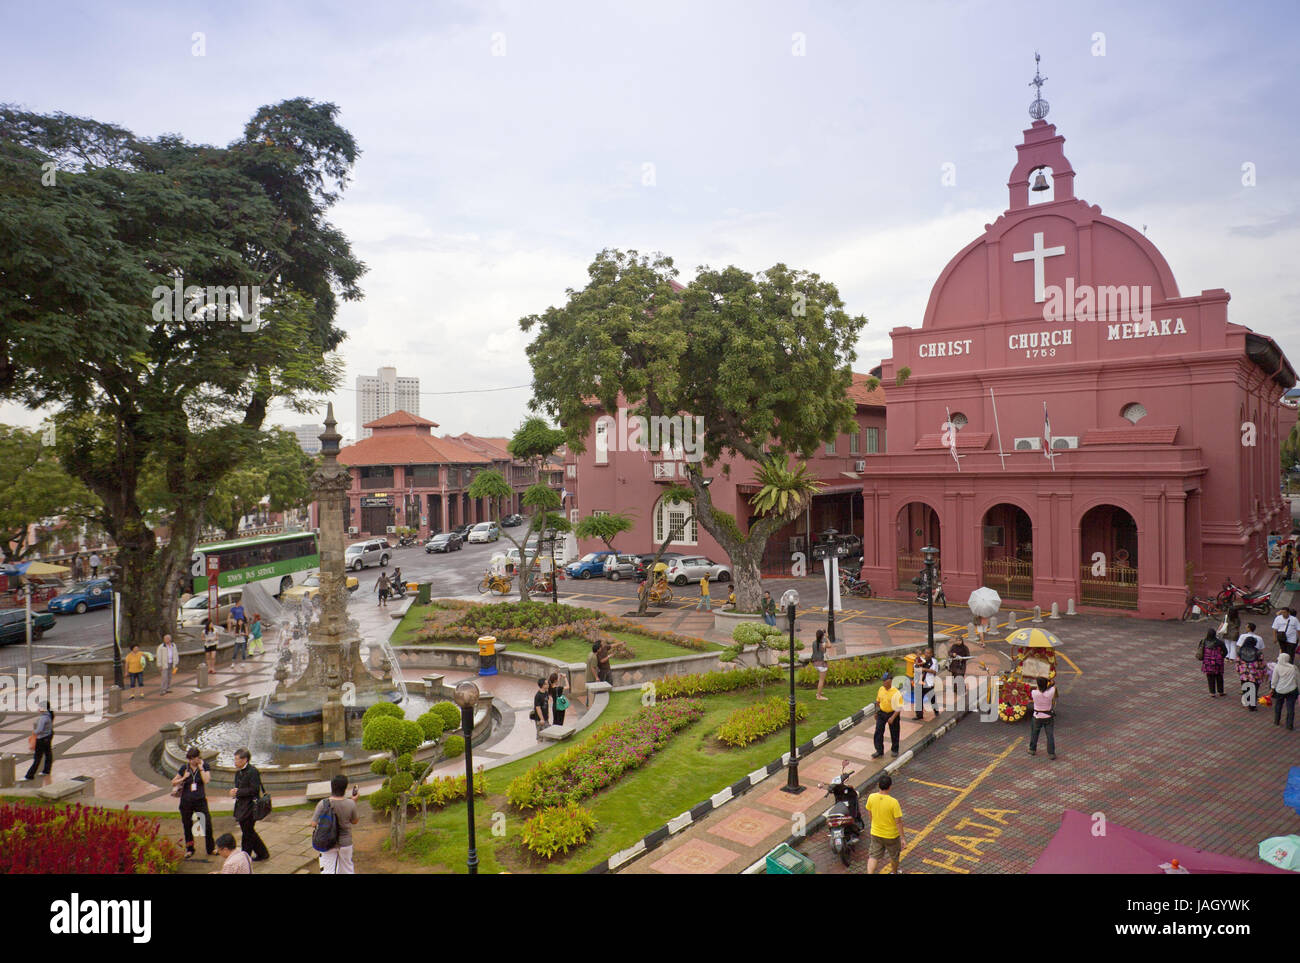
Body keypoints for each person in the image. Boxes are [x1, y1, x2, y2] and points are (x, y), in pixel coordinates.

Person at [172, 747, 216, 859]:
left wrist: (201, 768)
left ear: (198, 758)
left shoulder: (204, 766)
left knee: (207, 824)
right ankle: (189, 848)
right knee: (187, 826)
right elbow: (173, 782)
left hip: (200, 800)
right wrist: (183, 778)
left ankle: (210, 848)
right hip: (186, 801)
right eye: (190, 759)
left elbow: (206, 780)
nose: (192, 761)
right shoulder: (184, 768)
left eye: (194, 759)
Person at [312, 775, 360, 874]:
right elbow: (355, 821)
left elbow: (313, 823)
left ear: (332, 787)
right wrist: (354, 801)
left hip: (327, 842)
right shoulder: (350, 804)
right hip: (345, 843)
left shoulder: (323, 803)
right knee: (347, 869)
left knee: (328, 870)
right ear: (345, 788)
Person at [230, 748, 270, 862]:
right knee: (249, 831)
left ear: (245, 760)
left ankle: (245, 857)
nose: (235, 762)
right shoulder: (238, 772)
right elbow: (239, 787)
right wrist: (234, 792)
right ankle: (263, 853)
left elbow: (254, 790)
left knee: (247, 833)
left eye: (237, 760)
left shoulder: (253, 771)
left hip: (251, 807)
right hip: (241, 806)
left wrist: (238, 792)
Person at [864, 773, 904, 875]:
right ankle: (894, 872)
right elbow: (898, 822)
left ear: (879, 785)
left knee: (873, 856)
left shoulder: (871, 797)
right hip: (891, 836)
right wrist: (902, 838)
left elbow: (870, 814)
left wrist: (874, 825)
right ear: (890, 787)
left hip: (876, 833)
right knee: (894, 856)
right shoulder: (893, 802)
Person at [871, 674, 903, 759]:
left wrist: (892, 717)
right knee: (878, 731)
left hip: (893, 713)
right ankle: (879, 751)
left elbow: (899, 707)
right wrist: (876, 712)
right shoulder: (881, 689)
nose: (883, 682)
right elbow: (878, 701)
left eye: (885, 680)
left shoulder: (896, 692)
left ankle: (895, 750)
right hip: (882, 713)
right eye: (883, 681)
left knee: (894, 732)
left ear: (890, 681)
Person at [23, 700, 54, 782]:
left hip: (42, 739)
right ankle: (46, 771)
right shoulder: (49, 715)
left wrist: (34, 732)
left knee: (37, 758)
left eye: (39, 707)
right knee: (48, 754)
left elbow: (39, 730)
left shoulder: (44, 718)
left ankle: (29, 775)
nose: (38, 709)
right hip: (47, 737)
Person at [1027, 676, 1057, 759]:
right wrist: (1049, 682)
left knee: (1034, 733)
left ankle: (1032, 749)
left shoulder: (1034, 693)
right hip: (1048, 716)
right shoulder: (1050, 692)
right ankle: (1051, 753)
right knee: (1050, 735)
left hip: (1037, 716)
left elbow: (1032, 689)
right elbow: (1053, 685)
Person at [1235, 636, 1268, 711]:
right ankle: (1252, 706)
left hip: (1244, 673)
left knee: (1245, 688)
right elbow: (1261, 664)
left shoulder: (1240, 651)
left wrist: (1238, 670)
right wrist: (1264, 672)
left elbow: (1237, 662)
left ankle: (1246, 703)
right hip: (1255, 674)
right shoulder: (1258, 652)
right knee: (1254, 689)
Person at [1270, 653, 1299, 729]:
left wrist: (1272, 688)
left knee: (1278, 705)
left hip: (1280, 689)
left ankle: (1277, 720)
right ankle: (1289, 725)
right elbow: (1297, 679)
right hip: (1292, 690)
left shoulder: (1277, 667)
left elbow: (1274, 679)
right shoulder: (1293, 668)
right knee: (1290, 708)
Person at [1200, 627, 1227, 698]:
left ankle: (1212, 692)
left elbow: (1200, 650)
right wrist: (1221, 657)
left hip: (1207, 662)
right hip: (1218, 662)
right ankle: (1221, 691)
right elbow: (1225, 652)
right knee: (1219, 676)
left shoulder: (1204, 641)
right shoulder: (1219, 642)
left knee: (1210, 677)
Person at [914, 648, 937, 720]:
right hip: (920, 682)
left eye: (928, 653)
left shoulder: (934, 661)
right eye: (926, 653)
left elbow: (934, 671)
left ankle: (936, 711)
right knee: (918, 699)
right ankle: (919, 715)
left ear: (931, 654)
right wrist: (917, 665)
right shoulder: (921, 660)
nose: (927, 654)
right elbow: (915, 667)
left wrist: (925, 669)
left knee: (932, 699)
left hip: (929, 683)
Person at [948, 637, 970, 707]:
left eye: (960, 640)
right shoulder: (953, 647)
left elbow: (968, 655)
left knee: (960, 676)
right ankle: (955, 689)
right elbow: (949, 652)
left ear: (962, 641)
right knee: (954, 676)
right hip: (954, 665)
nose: (958, 642)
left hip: (961, 665)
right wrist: (953, 654)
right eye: (957, 640)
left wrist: (962, 658)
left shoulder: (965, 648)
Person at [811, 628, 829, 700]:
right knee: (821, 680)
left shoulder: (814, 642)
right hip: (821, 664)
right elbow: (830, 645)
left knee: (820, 679)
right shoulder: (823, 644)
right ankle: (818, 696)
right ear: (822, 636)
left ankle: (819, 691)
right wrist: (827, 637)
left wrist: (823, 635)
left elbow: (821, 641)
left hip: (815, 663)